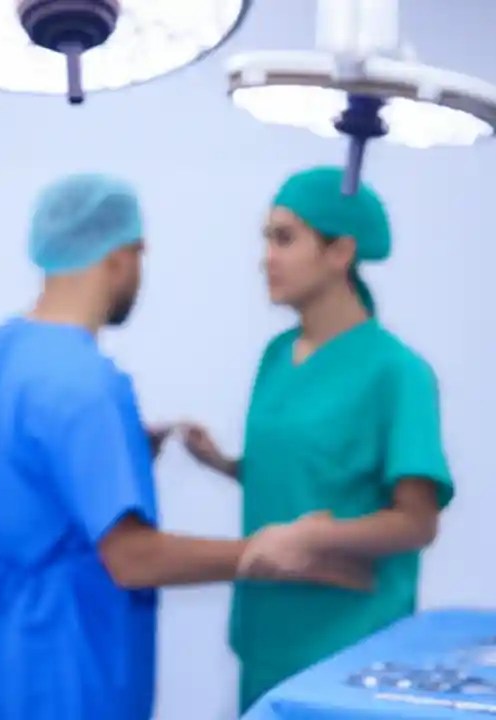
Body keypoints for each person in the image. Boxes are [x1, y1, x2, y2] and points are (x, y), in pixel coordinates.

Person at [0, 172, 371, 720]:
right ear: (121, 256)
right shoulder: (87, 383)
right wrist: (265, 553)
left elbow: (22, 487)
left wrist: (119, 453)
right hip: (67, 675)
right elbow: (132, 558)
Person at [179, 166, 455, 715]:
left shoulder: (397, 372)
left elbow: (417, 522)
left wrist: (317, 539)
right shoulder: (276, 357)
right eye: (265, 239)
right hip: (268, 627)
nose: (266, 258)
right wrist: (226, 465)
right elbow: (314, 473)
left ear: (340, 251)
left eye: (284, 238)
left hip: (350, 643)